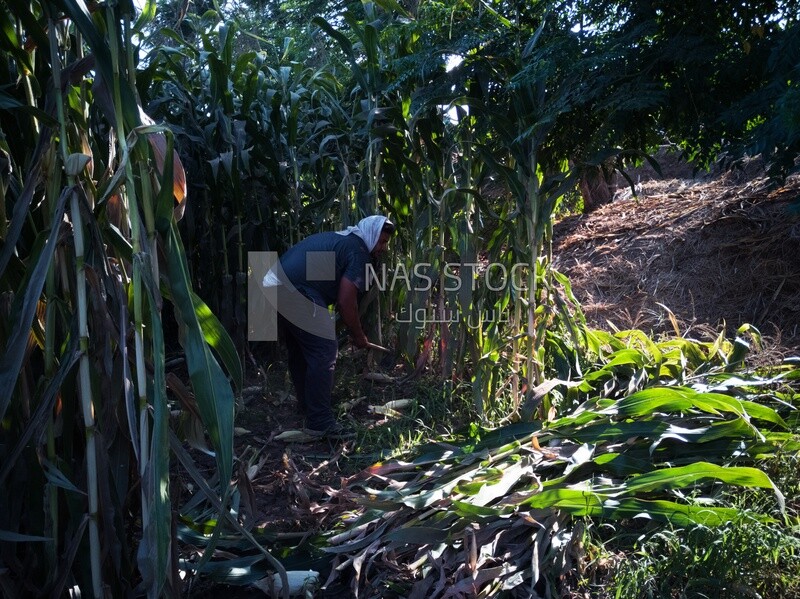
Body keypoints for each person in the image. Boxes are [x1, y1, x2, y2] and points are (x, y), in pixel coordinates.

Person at [263, 215, 395, 439]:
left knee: (302, 350)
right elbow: (345, 301)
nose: (383, 248)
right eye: (381, 242)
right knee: (324, 351)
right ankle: (320, 422)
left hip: (274, 284)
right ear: (371, 236)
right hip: (296, 290)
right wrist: (359, 335)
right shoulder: (358, 251)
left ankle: (308, 406)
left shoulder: (344, 242)